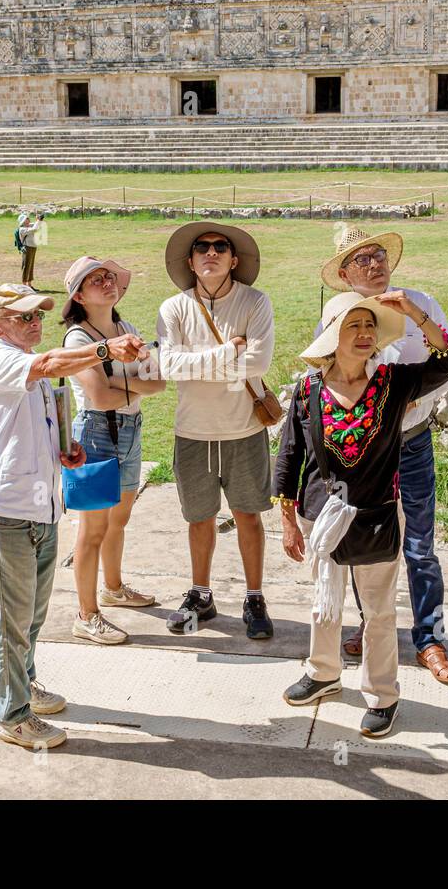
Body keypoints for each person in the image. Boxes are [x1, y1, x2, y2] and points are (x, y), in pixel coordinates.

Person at [276, 291, 448, 737]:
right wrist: (286, 517)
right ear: (331, 337)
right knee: (325, 600)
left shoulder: (395, 383)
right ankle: (323, 673)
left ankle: (382, 695)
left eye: (370, 326)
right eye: (352, 326)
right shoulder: (309, 388)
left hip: (377, 515)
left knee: (378, 612)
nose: (364, 335)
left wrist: (414, 313)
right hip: (321, 517)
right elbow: (290, 452)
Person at [0, 282, 147, 749]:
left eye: (37, 317)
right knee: (11, 622)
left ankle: (24, 686)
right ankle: (11, 716)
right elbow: (51, 362)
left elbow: (30, 432)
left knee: (31, 616)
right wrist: (105, 348)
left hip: (40, 510)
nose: (34, 324)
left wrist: (62, 453)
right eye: (23, 318)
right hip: (6, 513)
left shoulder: (28, 374)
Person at [319, 224, 448, 685]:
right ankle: (373, 625)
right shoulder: (337, 312)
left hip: (413, 439)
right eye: (361, 259)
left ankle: (429, 638)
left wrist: (416, 317)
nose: (374, 263)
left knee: (420, 546)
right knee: (369, 543)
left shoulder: (421, 301)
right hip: (365, 448)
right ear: (345, 274)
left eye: (378, 254)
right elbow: (331, 374)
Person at [155, 221, 277, 638]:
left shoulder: (255, 302)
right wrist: (230, 350)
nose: (211, 253)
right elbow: (169, 367)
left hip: (243, 429)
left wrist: (200, 361)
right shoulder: (174, 308)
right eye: (201, 248)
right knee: (199, 518)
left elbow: (258, 365)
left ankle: (255, 595)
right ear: (190, 261)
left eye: (220, 247)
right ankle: (200, 593)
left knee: (248, 516)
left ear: (234, 259)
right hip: (193, 430)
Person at [60, 256, 166, 645]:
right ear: (80, 296)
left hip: (130, 429)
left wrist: (130, 383)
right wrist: (134, 382)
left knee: (119, 518)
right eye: (95, 280)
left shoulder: (128, 329)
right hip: (95, 435)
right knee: (92, 530)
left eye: (109, 277)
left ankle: (114, 588)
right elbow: (100, 398)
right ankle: (86, 615)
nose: (107, 283)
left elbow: (159, 384)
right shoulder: (79, 339)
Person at [17, 212, 44, 287]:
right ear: (23, 221)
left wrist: (40, 218)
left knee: (31, 266)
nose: (28, 219)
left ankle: (29, 285)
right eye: (27, 218)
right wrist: (38, 220)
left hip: (33, 247)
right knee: (26, 266)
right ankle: (24, 285)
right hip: (27, 248)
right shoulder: (22, 229)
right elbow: (34, 229)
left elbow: (38, 225)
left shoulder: (30, 225)